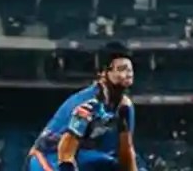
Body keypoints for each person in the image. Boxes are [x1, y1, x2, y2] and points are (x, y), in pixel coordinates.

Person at [29, 42, 142, 171]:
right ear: (103, 73)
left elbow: (126, 151)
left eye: (130, 69)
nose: (128, 74)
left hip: (86, 156)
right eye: (121, 69)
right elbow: (65, 154)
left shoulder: (125, 108)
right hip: (49, 160)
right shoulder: (87, 106)